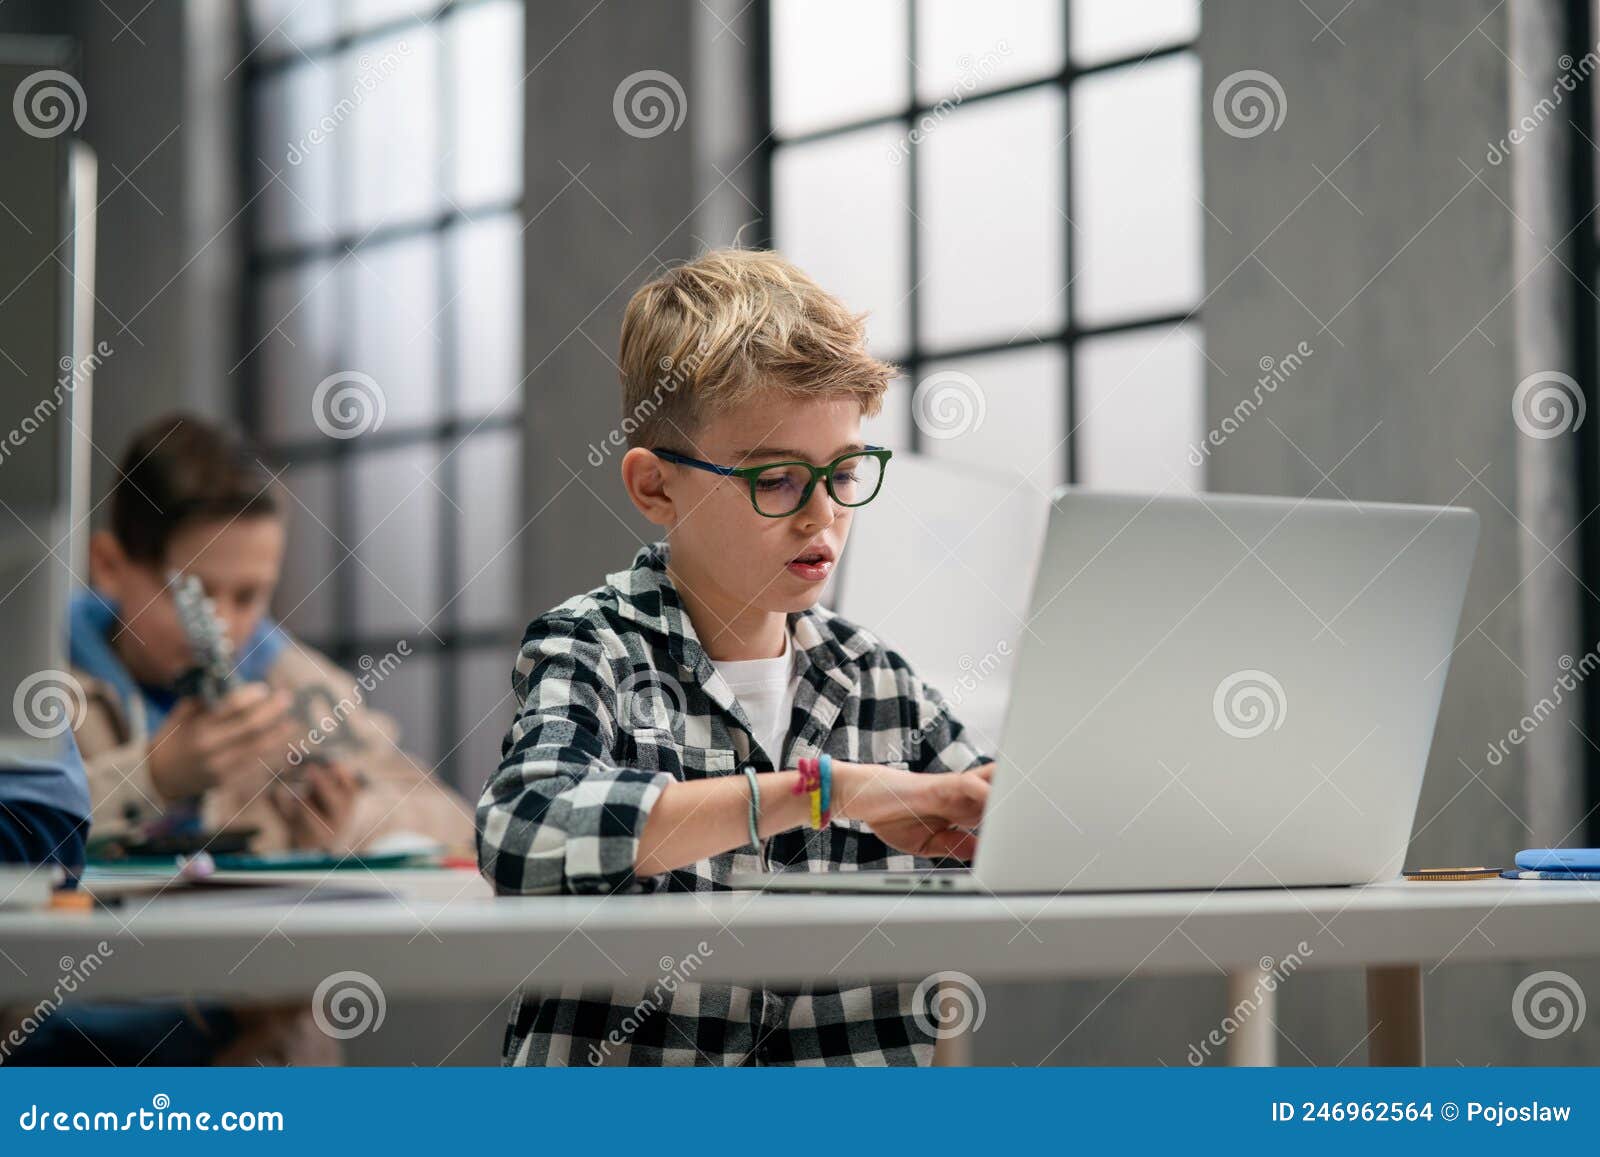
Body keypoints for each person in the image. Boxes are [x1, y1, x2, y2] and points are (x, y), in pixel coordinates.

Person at [477, 249, 994, 1066]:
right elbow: (521, 832)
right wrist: (823, 792)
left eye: (846, 473)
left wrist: (1021, 812)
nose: (823, 515)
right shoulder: (592, 648)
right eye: (780, 481)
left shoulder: (880, 682)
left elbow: (1005, 825)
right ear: (655, 488)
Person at [72, 413, 472, 857]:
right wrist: (151, 778)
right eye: (192, 593)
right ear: (109, 565)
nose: (221, 627)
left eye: (247, 597)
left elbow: (454, 823)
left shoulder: (299, 687)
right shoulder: (41, 681)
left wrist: (347, 820)